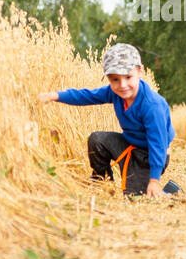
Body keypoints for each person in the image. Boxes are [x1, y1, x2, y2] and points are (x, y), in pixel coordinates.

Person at [36, 43, 175, 198]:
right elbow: (86, 96)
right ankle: (102, 183)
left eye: (128, 77)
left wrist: (154, 180)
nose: (122, 85)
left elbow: (158, 144)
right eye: (115, 79)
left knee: (136, 198)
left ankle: (170, 192)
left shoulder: (151, 105)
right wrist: (55, 96)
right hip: (130, 145)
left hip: (152, 155)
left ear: (140, 71)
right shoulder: (115, 93)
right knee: (97, 140)